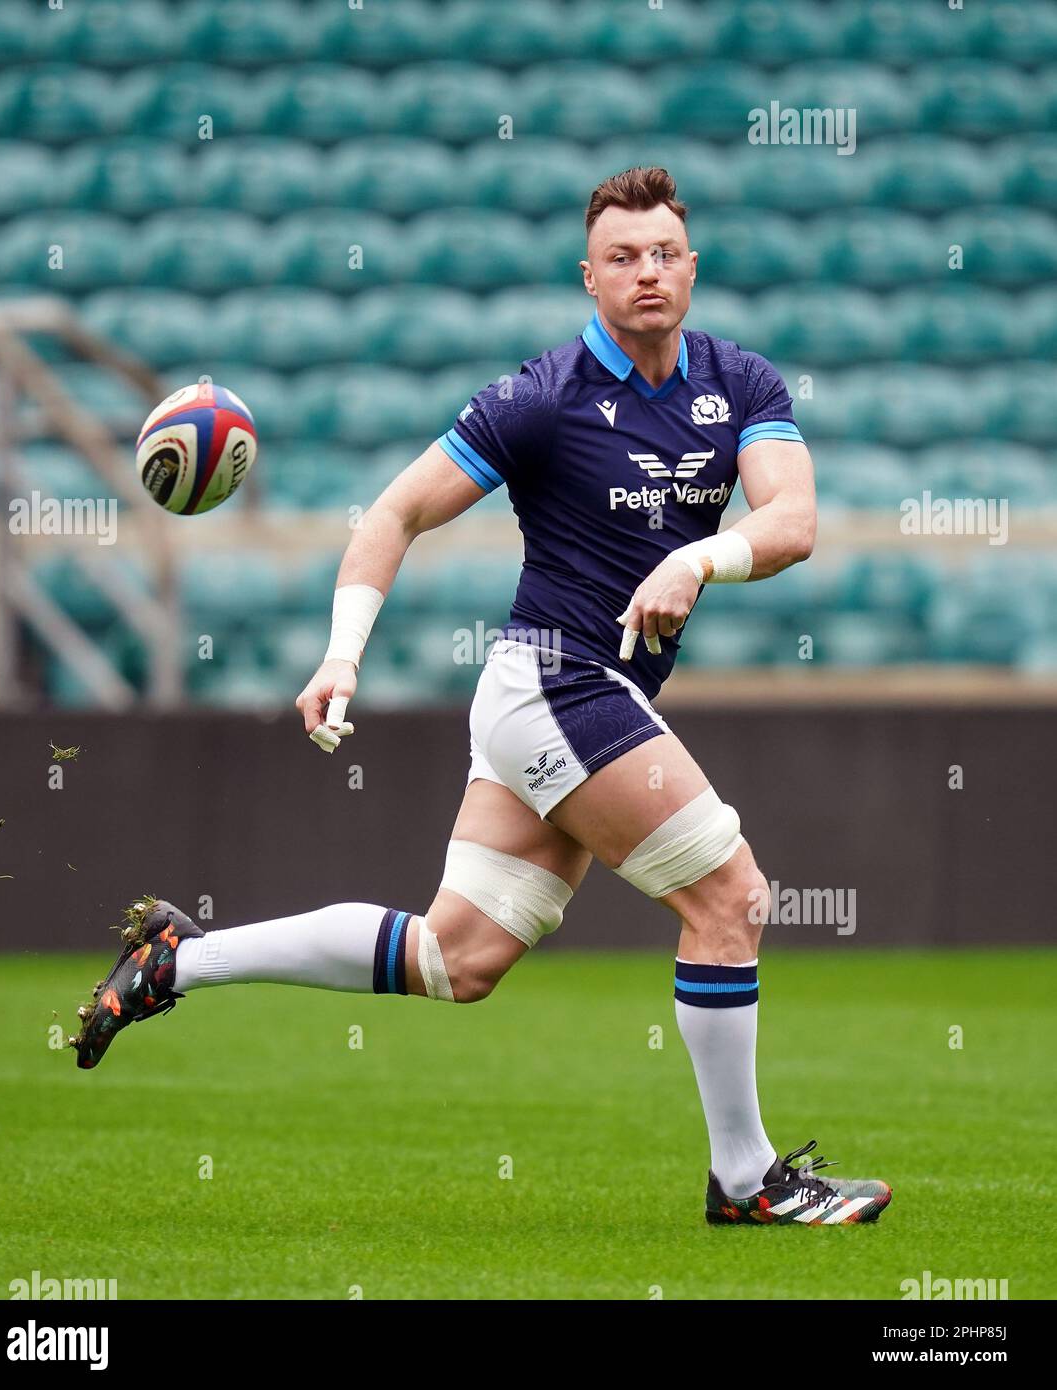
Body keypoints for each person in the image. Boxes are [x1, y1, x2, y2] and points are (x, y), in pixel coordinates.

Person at [71, 167, 890, 1227]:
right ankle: (745, 1180)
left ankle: (179, 959)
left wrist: (702, 560)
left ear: (690, 267)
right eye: (621, 257)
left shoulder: (741, 385)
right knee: (730, 898)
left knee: (452, 959)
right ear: (585, 276)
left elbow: (793, 520)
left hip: (555, 701)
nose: (645, 271)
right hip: (556, 680)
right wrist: (341, 657)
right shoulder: (541, 396)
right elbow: (392, 514)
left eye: (662, 254)